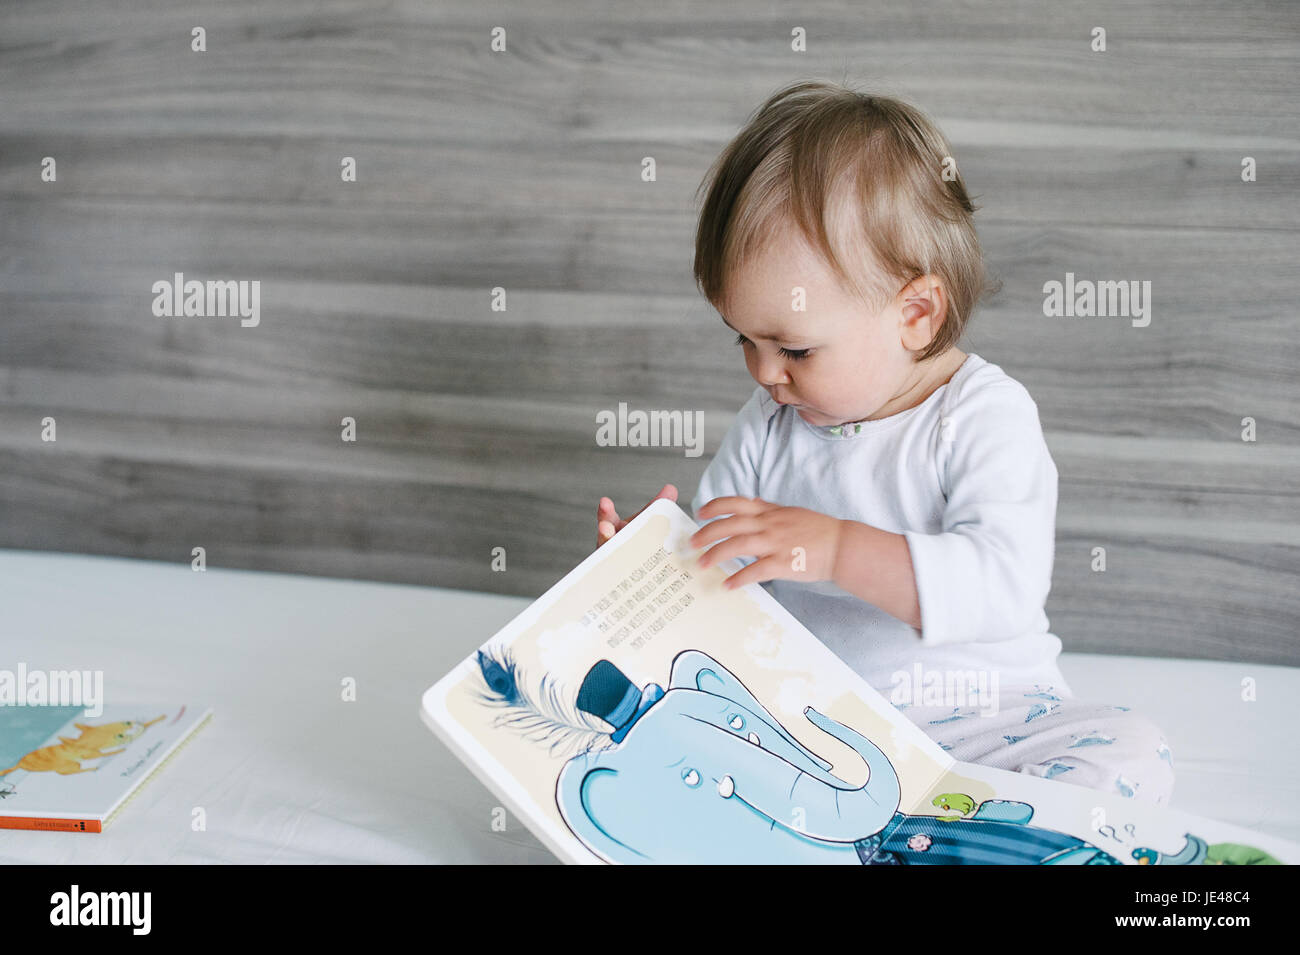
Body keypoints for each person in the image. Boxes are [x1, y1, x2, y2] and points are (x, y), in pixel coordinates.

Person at [596, 80, 1173, 807]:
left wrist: (837, 548)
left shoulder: (982, 416)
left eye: (795, 348)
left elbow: (1003, 584)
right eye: (744, 338)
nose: (764, 370)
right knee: (663, 749)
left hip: (988, 723)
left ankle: (977, 831)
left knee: (1133, 749)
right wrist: (646, 567)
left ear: (917, 313)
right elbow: (719, 568)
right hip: (819, 729)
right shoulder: (771, 422)